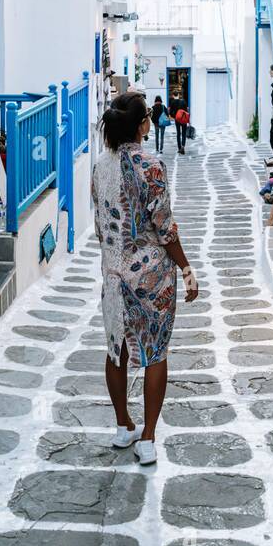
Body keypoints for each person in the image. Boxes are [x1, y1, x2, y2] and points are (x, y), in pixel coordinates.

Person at [91, 92, 199, 464]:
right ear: (141, 125)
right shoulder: (151, 166)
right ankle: (148, 438)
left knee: (115, 348)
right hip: (152, 278)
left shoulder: (99, 168)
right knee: (155, 352)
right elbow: (165, 228)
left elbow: (100, 225)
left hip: (114, 275)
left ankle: (123, 425)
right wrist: (185, 267)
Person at [168, 88, 189, 154]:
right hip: (184, 119)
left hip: (177, 119)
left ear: (173, 95)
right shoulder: (183, 101)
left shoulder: (173, 102)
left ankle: (179, 148)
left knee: (178, 133)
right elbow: (186, 111)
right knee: (184, 133)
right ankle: (183, 146)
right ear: (179, 95)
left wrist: (175, 116)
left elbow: (170, 113)